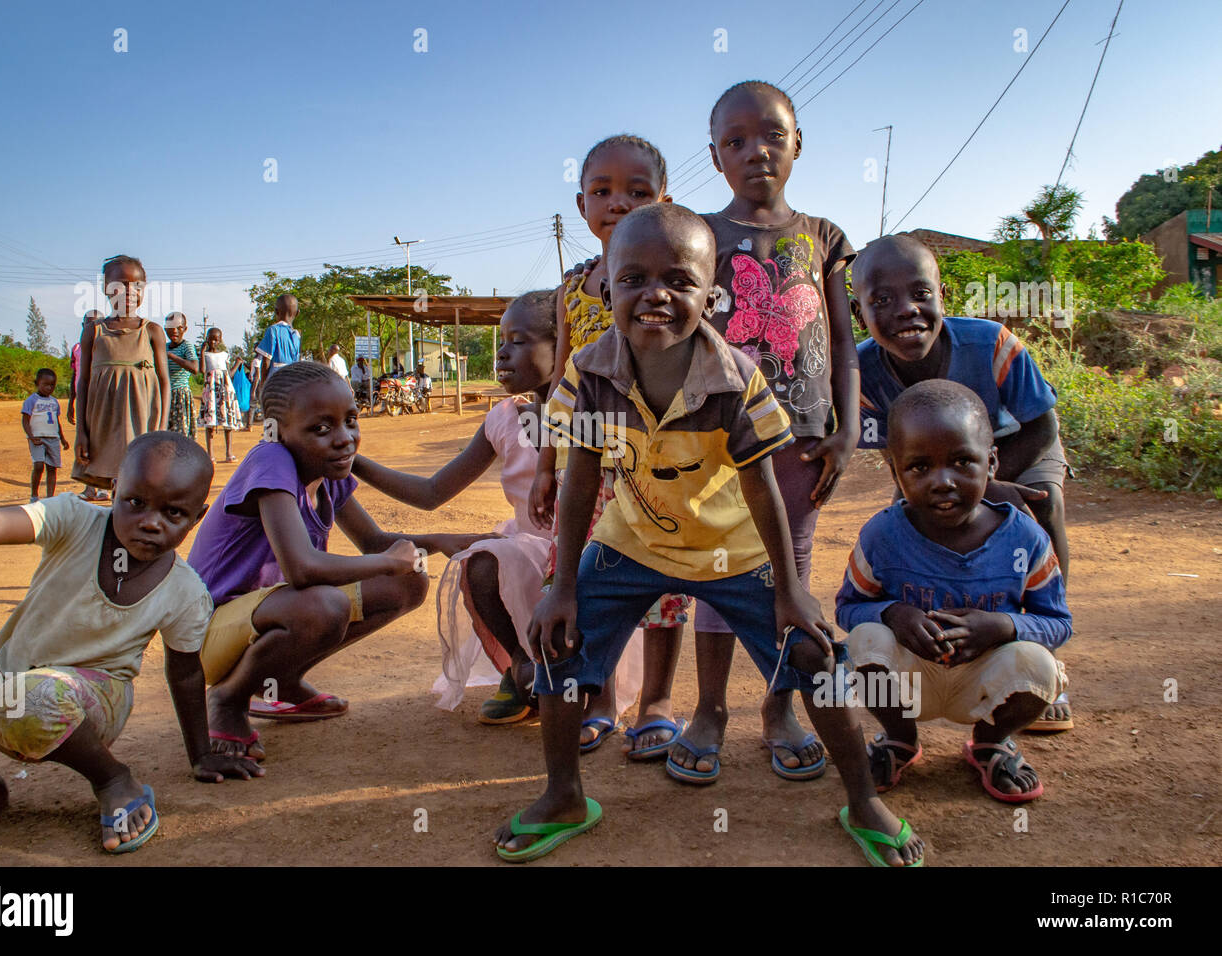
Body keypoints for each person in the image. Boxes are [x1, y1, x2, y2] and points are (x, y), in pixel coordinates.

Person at [494, 203, 923, 867]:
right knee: (558, 643)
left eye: (679, 280)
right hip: (631, 541)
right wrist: (563, 587)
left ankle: (863, 798)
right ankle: (564, 796)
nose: (655, 294)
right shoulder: (586, 374)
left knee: (812, 652)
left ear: (711, 295)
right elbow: (580, 484)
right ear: (608, 288)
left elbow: (761, 489)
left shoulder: (736, 381)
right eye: (633, 278)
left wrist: (789, 590)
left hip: (732, 547)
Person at [0, 433, 261, 853]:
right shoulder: (73, 519)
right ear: (115, 490)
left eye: (173, 513)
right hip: (1, 685)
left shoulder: (186, 592)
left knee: (31, 699)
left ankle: (113, 779)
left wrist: (201, 753)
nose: (151, 522)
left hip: (94, 700)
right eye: (136, 502)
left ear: (197, 517)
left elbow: (186, 671)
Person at [669, 80, 861, 784]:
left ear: (798, 144)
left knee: (792, 578)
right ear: (715, 155)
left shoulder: (825, 238)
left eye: (773, 135)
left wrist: (845, 430)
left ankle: (779, 709)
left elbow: (843, 343)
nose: (757, 152)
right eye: (736, 141)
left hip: (803, 446)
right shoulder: (700, 236)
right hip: (719, 445)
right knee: (719, 576)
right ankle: (709, 709)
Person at [187, 361, 486, 761]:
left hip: (267, 616)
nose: (344, 438)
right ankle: (227, 699)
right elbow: (303, 569)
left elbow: (374, 541)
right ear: (277, 432)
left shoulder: (326, 471)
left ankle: (284, 682)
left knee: (409, 580)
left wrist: (443, 541)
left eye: (351, 421)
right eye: (321, 428)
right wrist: (387, 561)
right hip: (212, 632)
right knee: (325, 605)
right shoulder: (270, 463)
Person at [352, 291, 623, 720]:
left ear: (561, 348)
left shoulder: (587, 416)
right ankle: (521, 664)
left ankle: (569, 675)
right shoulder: (503, 417)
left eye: (519, 341)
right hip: (526, 549)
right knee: (482, 560)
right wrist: (353, 463)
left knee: (551, 570)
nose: (502, 352)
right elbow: (431, 493)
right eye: (502, 340)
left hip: (582, 553)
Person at [850, 234, 1075, 732]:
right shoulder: (860, 372)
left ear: (942, 295)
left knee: (1043, 508)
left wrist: (992, 486)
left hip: (1017, 446)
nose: (906, 310)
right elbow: (895, 457)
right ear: (858, 310)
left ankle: (1041, 653)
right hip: (930, 464)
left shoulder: (992, 344)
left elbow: (1043, 426)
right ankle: (930, 640)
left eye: (920, 294)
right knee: (905, 531)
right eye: (882, 300)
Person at [836, 380, 1070, 803]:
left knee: (1039, 665)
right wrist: (892, 613)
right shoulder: (883, 535)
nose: (943, 482)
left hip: (985, 682)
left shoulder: (1026, 539)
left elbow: (1058, 624)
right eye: (920, 468)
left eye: (963, 462)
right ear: (895, 473)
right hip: (910, 682)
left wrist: (1001, 626)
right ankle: (899, 741)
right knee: (864, 640)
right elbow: (849, 608)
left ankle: (991, 744)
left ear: (992, 463)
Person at [528, 134, 687, 757]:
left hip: (659, 462)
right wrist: (547, 464)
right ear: (580, 202)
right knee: (585, 579)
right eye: (602, 191)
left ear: (664, 200)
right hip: (589, 465)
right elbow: (560, 379)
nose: (618, 203)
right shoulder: (573, 287)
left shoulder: (674, 276)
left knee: (664, 581)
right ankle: (597, 696)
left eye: (638, 192)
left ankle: (658, 700)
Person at [72, 255, 170, 497]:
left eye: (136, 285)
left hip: (143, 423)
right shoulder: (93, 332)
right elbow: (82, 382)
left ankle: (127, 530)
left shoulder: (152, 331)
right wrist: (81, 433)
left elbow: (165, 382)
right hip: (104, 423)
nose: (129, 291)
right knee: (114, 479)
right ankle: (112, 530)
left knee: (137, 483)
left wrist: (162, 428)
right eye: (120, 285)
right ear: (106, 289)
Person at [69, 310, 108, 501]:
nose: (91, 326)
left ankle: (104, 488)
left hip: (100, 399)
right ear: (82, 325)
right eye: (88, 323)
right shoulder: (77, 348)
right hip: (83, 399)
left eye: (96, 323)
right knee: (85, 444)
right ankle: (89, 487)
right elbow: (75, 377)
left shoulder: (102, 346)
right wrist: (71, 403)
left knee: (103, 442)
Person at [21, 368, 68, 502]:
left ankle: (50, 499)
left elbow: (57, 422)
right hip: (37, 438)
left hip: (53, 438)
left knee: (52, 468)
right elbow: (25, 420)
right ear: (37, 383)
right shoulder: (32, 400)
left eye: (52, 385)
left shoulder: (54, 402)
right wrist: (31, 437)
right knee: (39, 465)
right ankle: (34, 496)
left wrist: (63, 439)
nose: (49, 387)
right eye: (45, 384)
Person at [198, 327, 242, 463]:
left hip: (225, 389)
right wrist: (202, 352)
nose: (213, 342)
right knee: (210, 423)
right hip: (210, 390)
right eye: (210, 339)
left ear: (220, 340)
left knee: (227, 421)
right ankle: (210, 455)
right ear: (206, 339)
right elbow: (202, 370)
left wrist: (237, 363)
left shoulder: (224, 354)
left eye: (216, 340)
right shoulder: (205, 355)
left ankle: (229, 453)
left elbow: (229, 373)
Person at [164, 313, 198, 439]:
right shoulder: (164, 346)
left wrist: (171, 356)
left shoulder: (186, 346)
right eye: (170, 327)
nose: (174, 331)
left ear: (185, 329)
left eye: (179, 327)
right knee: (165, 433)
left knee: (180, 434)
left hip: (180, 396)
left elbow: (194, 368)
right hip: (165, 395)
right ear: (165, 328)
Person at [255, 294, 301, 382]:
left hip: (276, 379)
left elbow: (266, 362)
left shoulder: (273, 330)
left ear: (276, 311)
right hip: (292, 380)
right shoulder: (297, 335)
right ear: (297, 313)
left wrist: (263, 385)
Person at [230, 357, 253, 434]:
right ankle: (244, 424)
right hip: (242, 394)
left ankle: (240, 423)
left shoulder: (237, 376)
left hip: (238, 394)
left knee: (236, 408)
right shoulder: (242, 378)